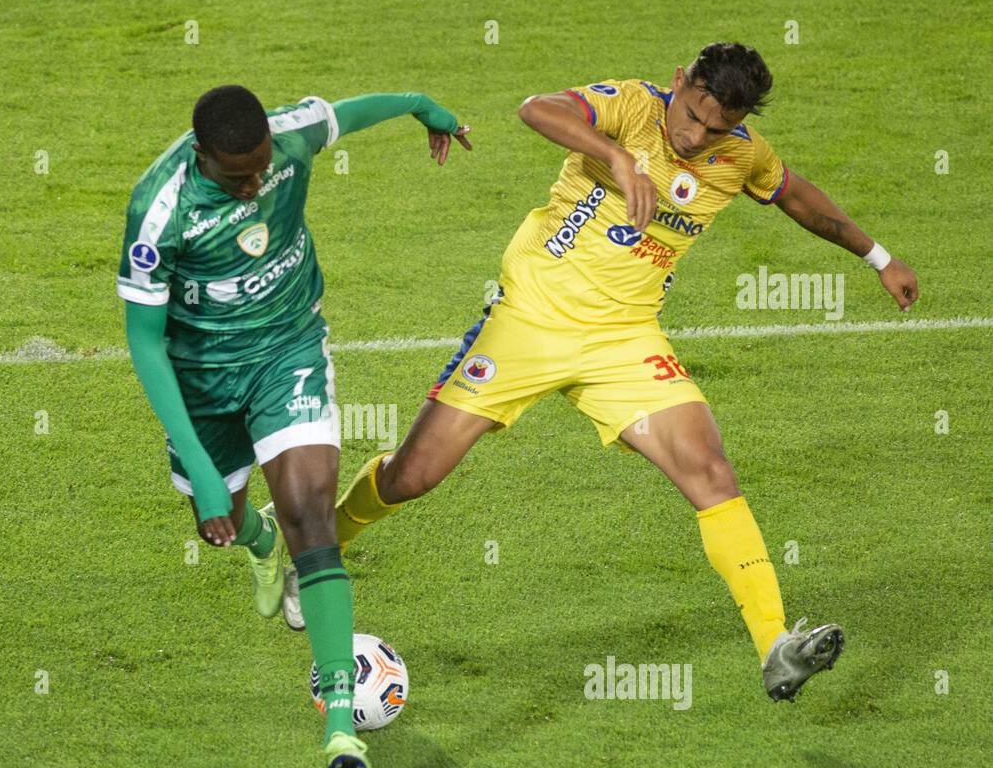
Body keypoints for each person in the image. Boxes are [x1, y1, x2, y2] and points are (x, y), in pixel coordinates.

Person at [331, 43, 919, 702]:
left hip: (624, 341)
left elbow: (796, 196)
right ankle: (326, 539)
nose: (696, 137)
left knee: (710, 469)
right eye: (692, 115)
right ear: (680, 83)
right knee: (413, 475)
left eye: (715, 128)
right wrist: (615, 156)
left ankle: (775, 644)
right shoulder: (632, 106)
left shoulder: (740, 155)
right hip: (528, 321)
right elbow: (536, 109)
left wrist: (878, 257)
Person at [119, 85, 470, 768]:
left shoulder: (290, 138)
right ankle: (259, 544)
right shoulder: (159, 213)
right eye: (236, 176)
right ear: (200, 156)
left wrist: (422, 106)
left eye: (260, 170)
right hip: (201, 375)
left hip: (289, 350)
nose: (254, 186)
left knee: (313, 514)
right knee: (218, 520)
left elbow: (351, 112)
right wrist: (204, 470)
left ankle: (340, 726)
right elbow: (146, 345)